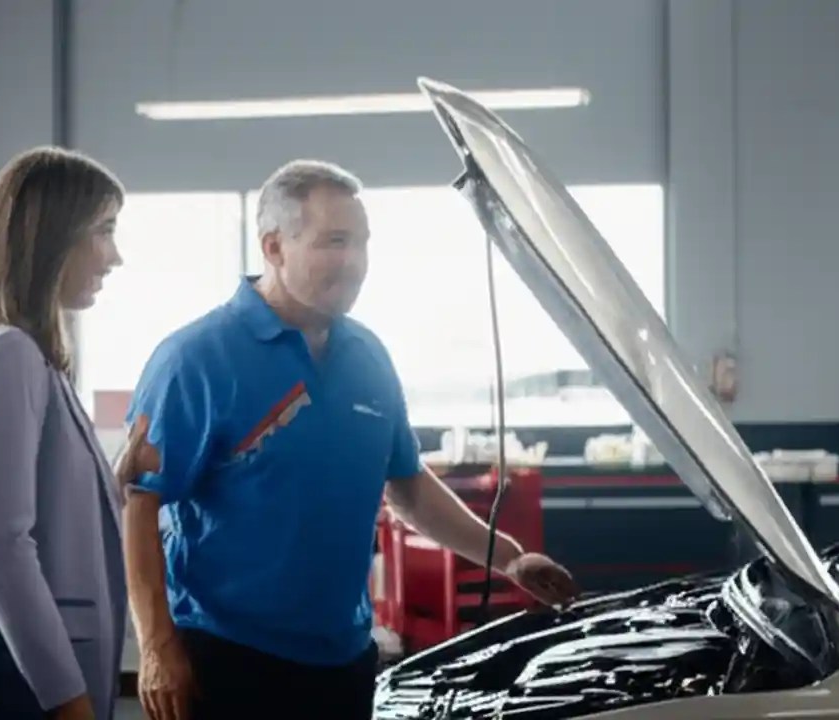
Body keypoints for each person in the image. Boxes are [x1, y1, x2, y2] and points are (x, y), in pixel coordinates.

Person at [118, 159, 579, 719]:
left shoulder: (368, 357)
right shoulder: (195, 360)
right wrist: (157, 645)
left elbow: (407, 486)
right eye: (334, 242)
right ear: (273, 246)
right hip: (226, 657)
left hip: (343, 661)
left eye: (362, 243)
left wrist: (509, 559)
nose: (356, 262)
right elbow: (140, 506)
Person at [0, 146, 127, 720]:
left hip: (31, 674)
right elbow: (1, 545)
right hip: (27, 681)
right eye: (104, 230)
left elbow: (41, 506)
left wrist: (116, 478)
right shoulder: (8, 356)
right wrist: (68, 701)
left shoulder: (27, 357)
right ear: (51, 238)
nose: (114, 256)